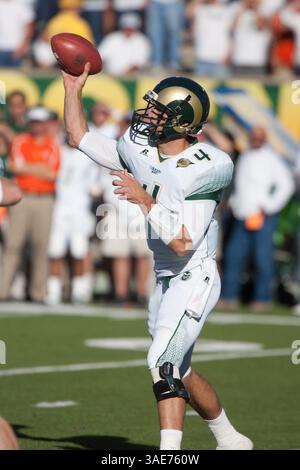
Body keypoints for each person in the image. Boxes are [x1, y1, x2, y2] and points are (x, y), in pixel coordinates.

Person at [62, 63, 253, 450]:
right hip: (164, 277)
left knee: (161, 362)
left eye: (159, 111)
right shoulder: (138, 146)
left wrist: (144, 199)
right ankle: (230, 438)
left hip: (194, 274)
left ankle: (169, 455)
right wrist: (72, 88)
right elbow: (78, 135)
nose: (148, 115)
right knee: (179, 368)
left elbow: (184, 242)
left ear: (181, 122)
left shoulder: (208, 167)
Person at [220, 127, 295, 311]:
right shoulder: (246, 155)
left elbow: (287, 185)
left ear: (264, 138)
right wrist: (236, 202)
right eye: (253, 136)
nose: (255, 139)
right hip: (242, 215)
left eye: (259, 137)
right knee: (233, 256)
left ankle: (262, 298)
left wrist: (269, 205)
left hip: (262, 216)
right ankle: (230, 296)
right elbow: (241, 184)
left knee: (262, 258)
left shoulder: (272, 159)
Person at [0, 107, 61, 303]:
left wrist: (28, 168)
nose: (36, 125)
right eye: (33, 121)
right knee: (13, 245)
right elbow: (14, 166)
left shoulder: (53, 144)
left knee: (40, 247)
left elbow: (52, 173)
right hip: (22, 198)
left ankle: (38, 293)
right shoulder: (21, 140)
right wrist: (37, 168)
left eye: (39, 122)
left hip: (44, 198)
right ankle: (2, 291)